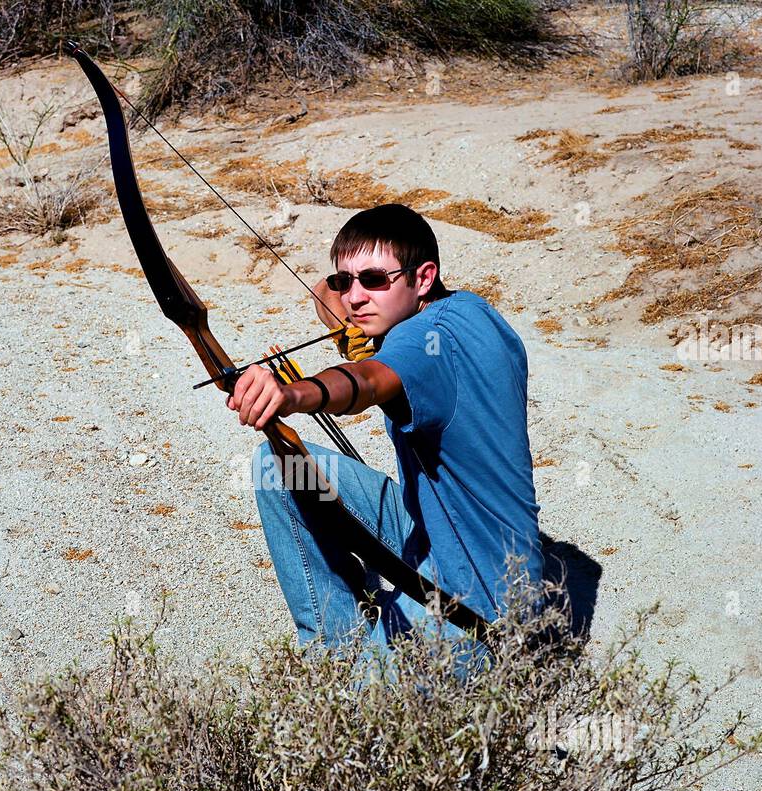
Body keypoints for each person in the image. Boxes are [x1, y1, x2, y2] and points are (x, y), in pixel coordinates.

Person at [226, 203, 545, 681]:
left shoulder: (421, 342)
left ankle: (349, 689)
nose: (355, 297)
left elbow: (368, 382)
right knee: (279, 466)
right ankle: (334, 651)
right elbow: (327, 296)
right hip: (432, 532)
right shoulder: (470, 309)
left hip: (476, 602)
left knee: (350, 728)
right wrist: (356, 324)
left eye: (374, 280)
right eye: (345, 280)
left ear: (423, 277)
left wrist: (292, 393)